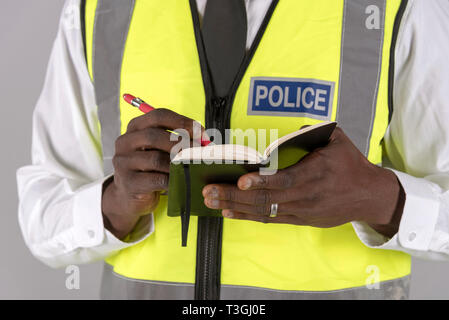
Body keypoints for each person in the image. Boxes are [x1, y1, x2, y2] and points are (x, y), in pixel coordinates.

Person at [17, 0, 449, 300]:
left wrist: (381, 198)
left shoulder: (395, 10)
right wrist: (112, 204)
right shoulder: (100, 11)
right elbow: (43, 214)